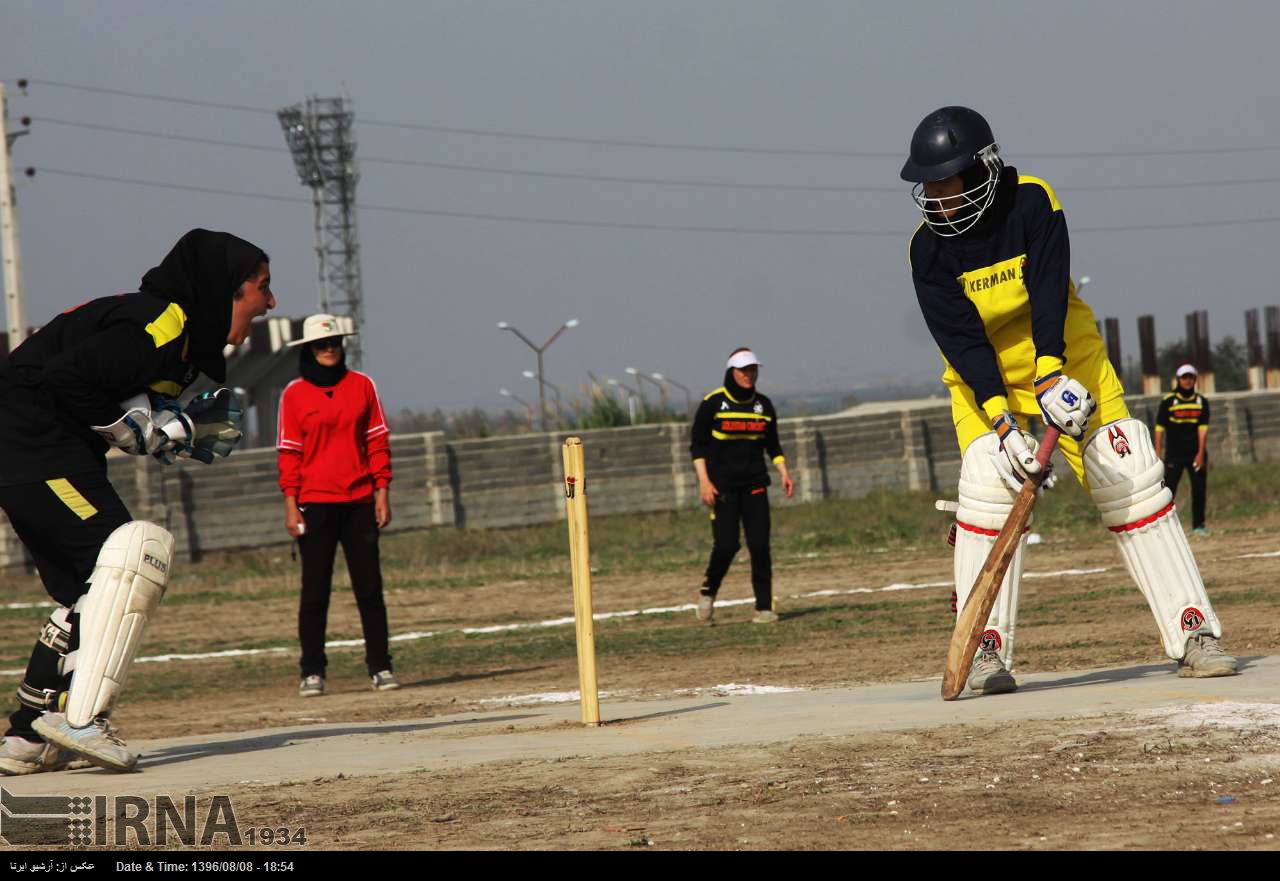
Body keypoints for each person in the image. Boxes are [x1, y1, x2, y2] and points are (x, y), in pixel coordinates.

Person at [902, 107, 1236, 695]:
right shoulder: (927, 251)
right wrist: (1005, 424)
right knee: (987, 480)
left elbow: (1051, 289)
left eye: (945, 183)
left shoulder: (1031, 202)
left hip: (1066, 356)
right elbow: (963, 343)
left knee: (1126, 466)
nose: (935, 198)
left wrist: (1052, 375)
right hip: (986, 382)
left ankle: (1194, 633)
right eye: (926, 186)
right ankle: (984, 650)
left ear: (981, 170)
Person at [0, 229, 269, 774]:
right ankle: (80, 721)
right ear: (225, 290)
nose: (271, 302)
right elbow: (63, 380)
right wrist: (134, 427)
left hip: (40, 451)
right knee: (130, 557)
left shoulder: (179, 337)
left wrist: (168, 428)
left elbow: (104, 389)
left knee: (88, 589)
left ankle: (26, 741)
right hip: (33, 449)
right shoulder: (162, 323)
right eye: (261, 287)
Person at [276, 314, 398, 697]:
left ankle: (380, 666)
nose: (329, 350)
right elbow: (289, 453)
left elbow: (377, 441)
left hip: (359, 500)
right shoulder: (293, 394)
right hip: (314, 503)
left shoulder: (362, 386)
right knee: (315, 592)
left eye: (334, 343)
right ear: (309, 350)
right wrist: (291, 504)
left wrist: (382, 492)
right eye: (321, 345)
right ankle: (312, 671)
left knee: (370, 589)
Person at [689, 348, 795, 625]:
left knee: (759, 545)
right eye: (744, 370)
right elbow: (697, 447)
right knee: (727, 545)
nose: (749, 375)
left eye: (753, 370)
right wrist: (704, 482)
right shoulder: (713, 403)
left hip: (755, 484)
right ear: (731, 373)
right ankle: (708, 592)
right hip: (721, 487)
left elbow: (772, 445)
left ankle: (763, 608)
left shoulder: (763, 405)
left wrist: (784, 471)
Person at [1155, 364, 1211, 537]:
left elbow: (1203, 429)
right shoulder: (1169, 401)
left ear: (1195, 379)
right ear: (1178, 379)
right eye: (1184, 377)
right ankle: (1165, 527)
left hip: (1195, 453)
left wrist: (1201, 453)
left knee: (1199, 490)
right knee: (1168, 491)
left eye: (1190, 377)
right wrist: (1157, 453)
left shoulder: (1201, 402)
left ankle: (1198, 525)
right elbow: (1159, 429)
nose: (1187, 381)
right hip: (1174, 454)